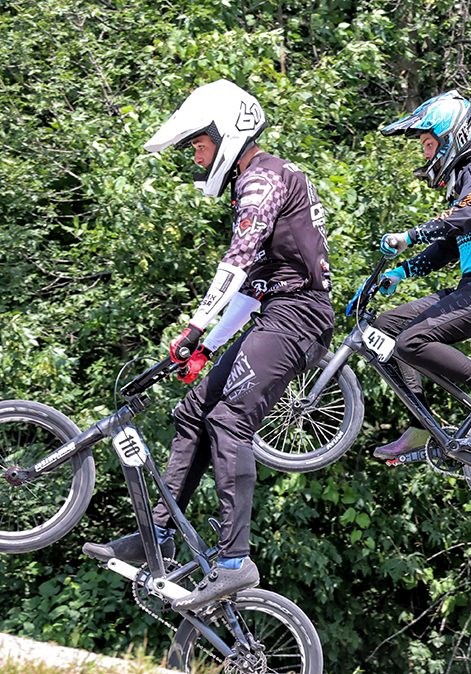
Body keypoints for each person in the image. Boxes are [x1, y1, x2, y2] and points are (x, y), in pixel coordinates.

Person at [84, 79, 335, 608]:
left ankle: (234, 561)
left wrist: (196, 327)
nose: (196, 158)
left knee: (228, 420)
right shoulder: (260, 179)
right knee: (193, 410)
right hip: (276, 311)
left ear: (227, 135)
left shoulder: (262, 181)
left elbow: (236, 264)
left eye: (199, 145)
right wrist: (207, 345)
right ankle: (158, 534)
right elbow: (250, 287)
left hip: (299, 316)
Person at [354, 90, 471, 459]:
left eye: (429, 144)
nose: (425, 154)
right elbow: (449, 244)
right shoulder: (463, 182)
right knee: (385, 327)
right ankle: (421, 424)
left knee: (412, 342)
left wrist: (410, 235)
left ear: (451, 137)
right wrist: (401, 271)